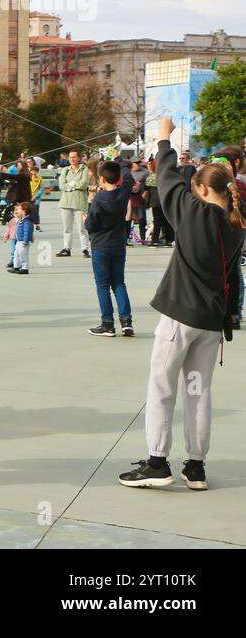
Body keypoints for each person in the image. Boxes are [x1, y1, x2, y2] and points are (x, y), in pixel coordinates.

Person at [118, 117, 246, 491]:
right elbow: (173, 179)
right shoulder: (237, 223)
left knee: (161, 386)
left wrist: (162, 136)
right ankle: (196, 466)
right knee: (197, 391)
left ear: (204, 190)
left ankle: (158, 462)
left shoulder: (196, 214)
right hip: (211, 320)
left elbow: (169, 178)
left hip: (180, 315)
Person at [85, 161, 133, 337]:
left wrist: (85, 220)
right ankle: (126, 322)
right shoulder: (123, 192)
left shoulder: (99, 199)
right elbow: (127, 178)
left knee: (103, 285)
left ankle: (108, 324)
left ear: (102, 179)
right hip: (118, 244)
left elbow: (91, 225)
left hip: (101, 246)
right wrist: (121, 162)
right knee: (119, 282)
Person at [57, 150, 90, 258]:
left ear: (79, 158)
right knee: (67, 227)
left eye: (74, 157)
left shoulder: (84, 169)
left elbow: (84, 184)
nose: (72, 159)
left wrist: (70, 185)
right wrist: (74, 185)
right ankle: (67, 248)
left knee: (82, 227)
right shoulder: (65, 170)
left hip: (79, 202)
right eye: (70, 157)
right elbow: (62, 185)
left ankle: (84, 248)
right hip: (66, 202)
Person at [8, 201, 33, 275]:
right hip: (19, 241)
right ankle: (16, 267)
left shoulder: (27, 221)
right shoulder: (22, 220)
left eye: (18, 209)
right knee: (17, 254)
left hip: (23, 242)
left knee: (23, 255)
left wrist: (25, 241)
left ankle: (25, 268)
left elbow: (27, 231)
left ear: (24, 211)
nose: (16, 211)